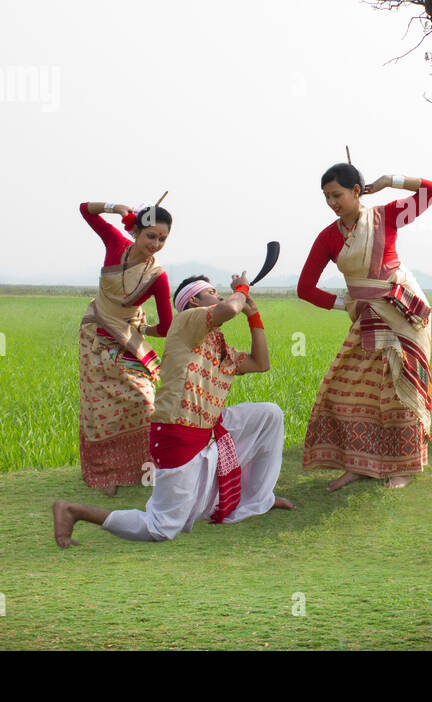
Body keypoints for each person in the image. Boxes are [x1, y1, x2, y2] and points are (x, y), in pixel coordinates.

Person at [53, 274, 295, 547]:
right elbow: (229, 308)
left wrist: (254, 315)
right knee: (161, 527)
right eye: (212, 292)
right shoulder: (186, 321)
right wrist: (241, 288)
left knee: (269, 415)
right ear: (194, 300)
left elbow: (261, 363)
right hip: (177, 435)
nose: (218, 296)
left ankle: (259, 499)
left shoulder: (219, 346)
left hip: (207, 430)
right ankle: (73, 511)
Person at [297, 164, 432, 490]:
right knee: (350, 388)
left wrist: (392, 181)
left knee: (400, 391)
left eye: (337, 194)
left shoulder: (386, 217)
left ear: (357, 191)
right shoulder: (329, 237)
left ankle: (404, 467)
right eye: (326, 197)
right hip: (368, 319)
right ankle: (357, 465)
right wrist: (350, 302)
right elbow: (305, 288)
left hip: (405, 314)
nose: (332, 202)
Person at [76, 201, 174, 496]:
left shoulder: (158, 277)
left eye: (162, 239)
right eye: (150, 236)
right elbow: (84, 209)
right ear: (136, 231)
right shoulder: (115, 242)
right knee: (99, 407)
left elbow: (167, 327)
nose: (155, 244)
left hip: (128, 337)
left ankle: (144, 469)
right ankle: (105, 473)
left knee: (144, 402)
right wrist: (116, 207)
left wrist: (143, 330)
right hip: (95, 333)